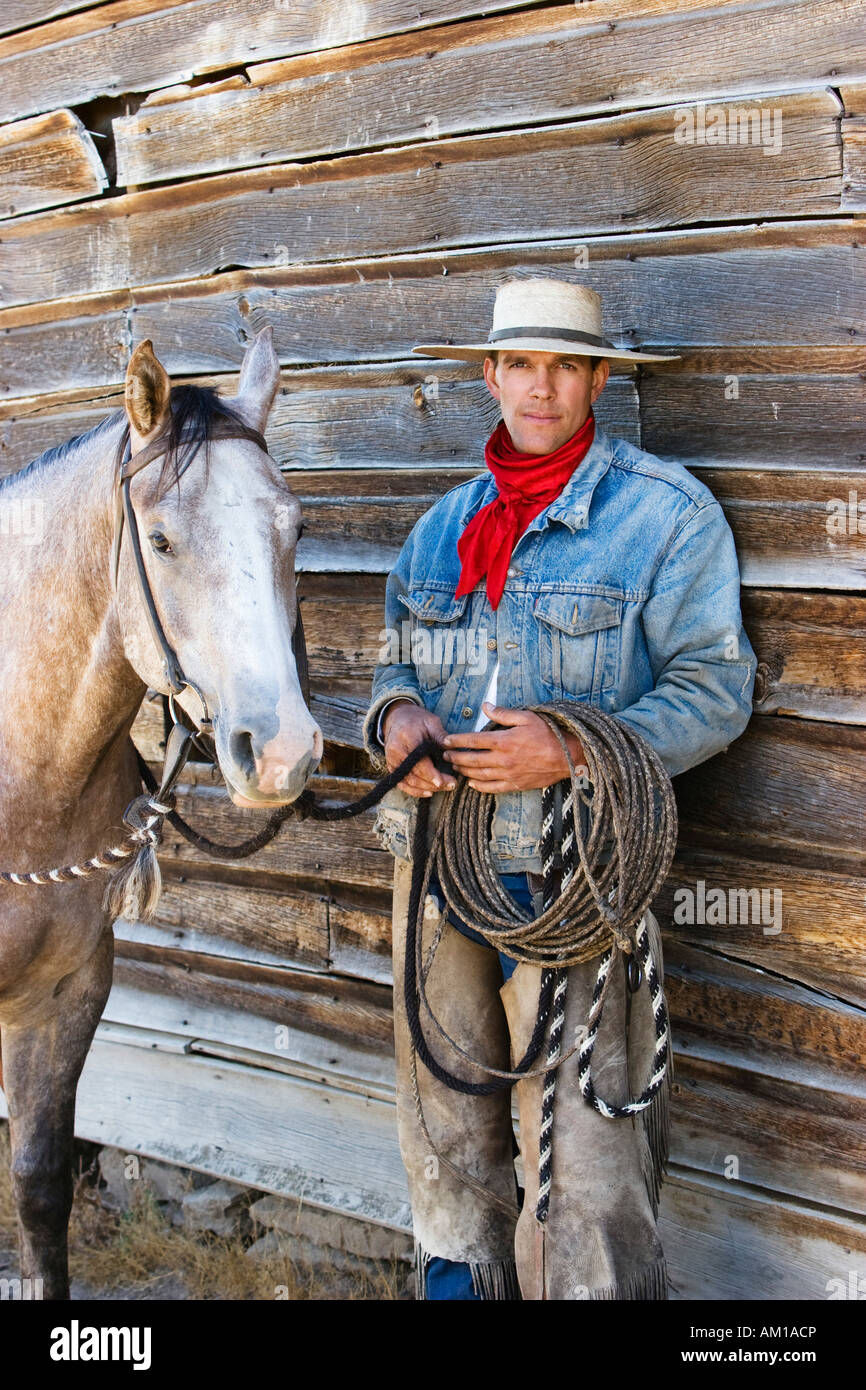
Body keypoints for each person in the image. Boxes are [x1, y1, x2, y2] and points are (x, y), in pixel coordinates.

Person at [363, 277, 757, 1300]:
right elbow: (393, 670)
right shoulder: (439, 530)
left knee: (582, 1168)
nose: (540, 388)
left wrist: (574, 747)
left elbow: (714, 691)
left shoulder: (664, 517)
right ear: (489, 375)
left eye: (565, 365)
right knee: (444, 1139)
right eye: (520, 364)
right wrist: (396, 721)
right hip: (434, 875)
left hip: (572, 874)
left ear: (595, 378)